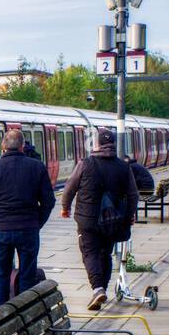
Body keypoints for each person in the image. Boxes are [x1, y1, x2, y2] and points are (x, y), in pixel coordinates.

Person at [0, 128, 55, 309]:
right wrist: (37, 223)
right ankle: (25, 315)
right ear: (22, 147)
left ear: (4, 146)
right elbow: (49, 201)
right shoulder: (37, 167)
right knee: (27, 277)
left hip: (2, 230)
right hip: (28, 229)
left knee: (2, 276)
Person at [61, 128, 138, 310]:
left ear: (96, 144)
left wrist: (65, 208)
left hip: (88, 220)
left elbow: (70, 188)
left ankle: (98, 289)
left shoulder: (85, 164)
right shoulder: (123, 166)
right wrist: (128, 217)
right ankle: (101, 288)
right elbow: (133, 195)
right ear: (113, 144)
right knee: (105, 254)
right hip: (112, 220)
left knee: (90, 254)